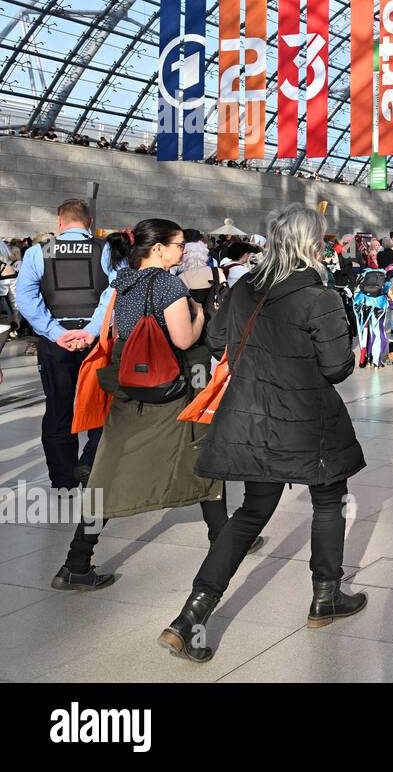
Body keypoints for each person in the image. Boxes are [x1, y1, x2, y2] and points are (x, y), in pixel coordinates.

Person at [157, 205, 365, 662]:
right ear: (312, 244)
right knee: (328, 499)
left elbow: (215, 340)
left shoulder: (244, 288)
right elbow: (337, 368)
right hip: (308, 419)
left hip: (251, 417)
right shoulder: (320, 296)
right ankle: (325, 595)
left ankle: (190, 615)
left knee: (251, 512)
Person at [49, 220, 236, 592]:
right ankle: (225, 539)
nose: (183, 251)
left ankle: (76, 560)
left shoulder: (123, 284)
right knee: (201, 454)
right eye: (179, 244)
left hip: (129, 389)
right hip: (169, 391)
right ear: (158, 249)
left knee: (108, 472)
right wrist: (198, 314)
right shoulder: (169, 284)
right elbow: (183, 340)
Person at [15, 198, 116, 489]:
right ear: (90, 223)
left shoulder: (38, 252)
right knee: (101, 406)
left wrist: (55, 332)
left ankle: (62, 479)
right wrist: (93, 330)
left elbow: (26, 299)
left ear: (59, 222)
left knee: (58, 407)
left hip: (55, 343)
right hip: (96, 343)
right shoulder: (106, 250)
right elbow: (114, 291)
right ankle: (90, 464)